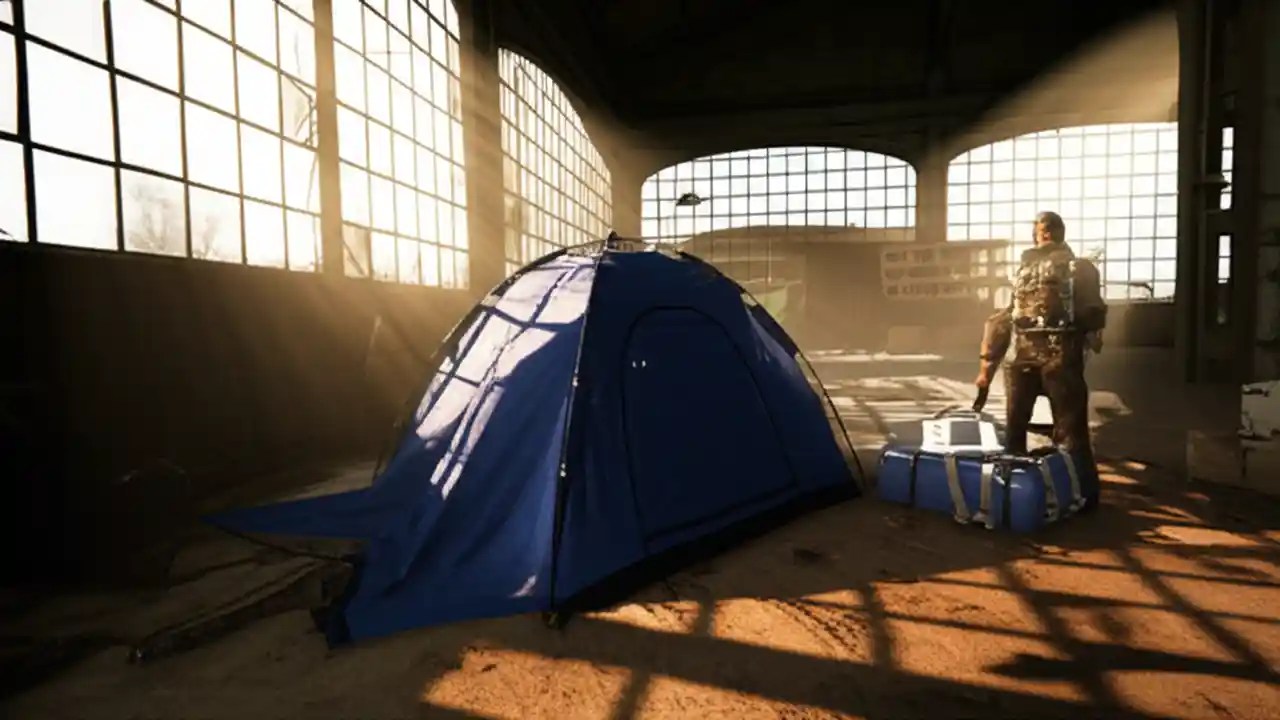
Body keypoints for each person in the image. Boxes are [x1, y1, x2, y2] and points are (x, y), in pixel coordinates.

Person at [974, 212, 1108, 507]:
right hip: (1021, 357)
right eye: (1039, 229)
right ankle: (1015, 492)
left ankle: (1080, 493)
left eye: (1049, 229)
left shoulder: (1079, 268)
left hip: (1060, 355)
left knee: (1070, 430)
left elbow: (1094, 312)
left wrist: (1076, 325)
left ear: (1060, 232)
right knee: (1014, 429)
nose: (1043, 234)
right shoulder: (1023, 269)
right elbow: (1006, 317)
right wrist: (987, 364)